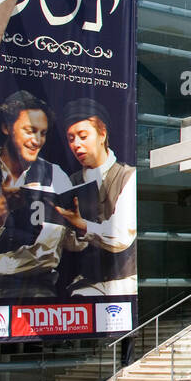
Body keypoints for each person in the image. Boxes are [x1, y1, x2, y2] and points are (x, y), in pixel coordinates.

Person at [0, 90, 71, 300]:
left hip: (34, 289)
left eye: (43, 133)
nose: (37, 140)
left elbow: (47, 255)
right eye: (30, 131)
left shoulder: (56, 175)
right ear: (6, 127)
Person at [54, 98, 137, 297]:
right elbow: (74, 245)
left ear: (102, 134)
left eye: (83, 136)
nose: (76, 145)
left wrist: (82, 225)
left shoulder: (128, 176)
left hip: (123, 282)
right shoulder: (70, 181)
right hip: (85, 281)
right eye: (71, 139)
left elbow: (121, 237)